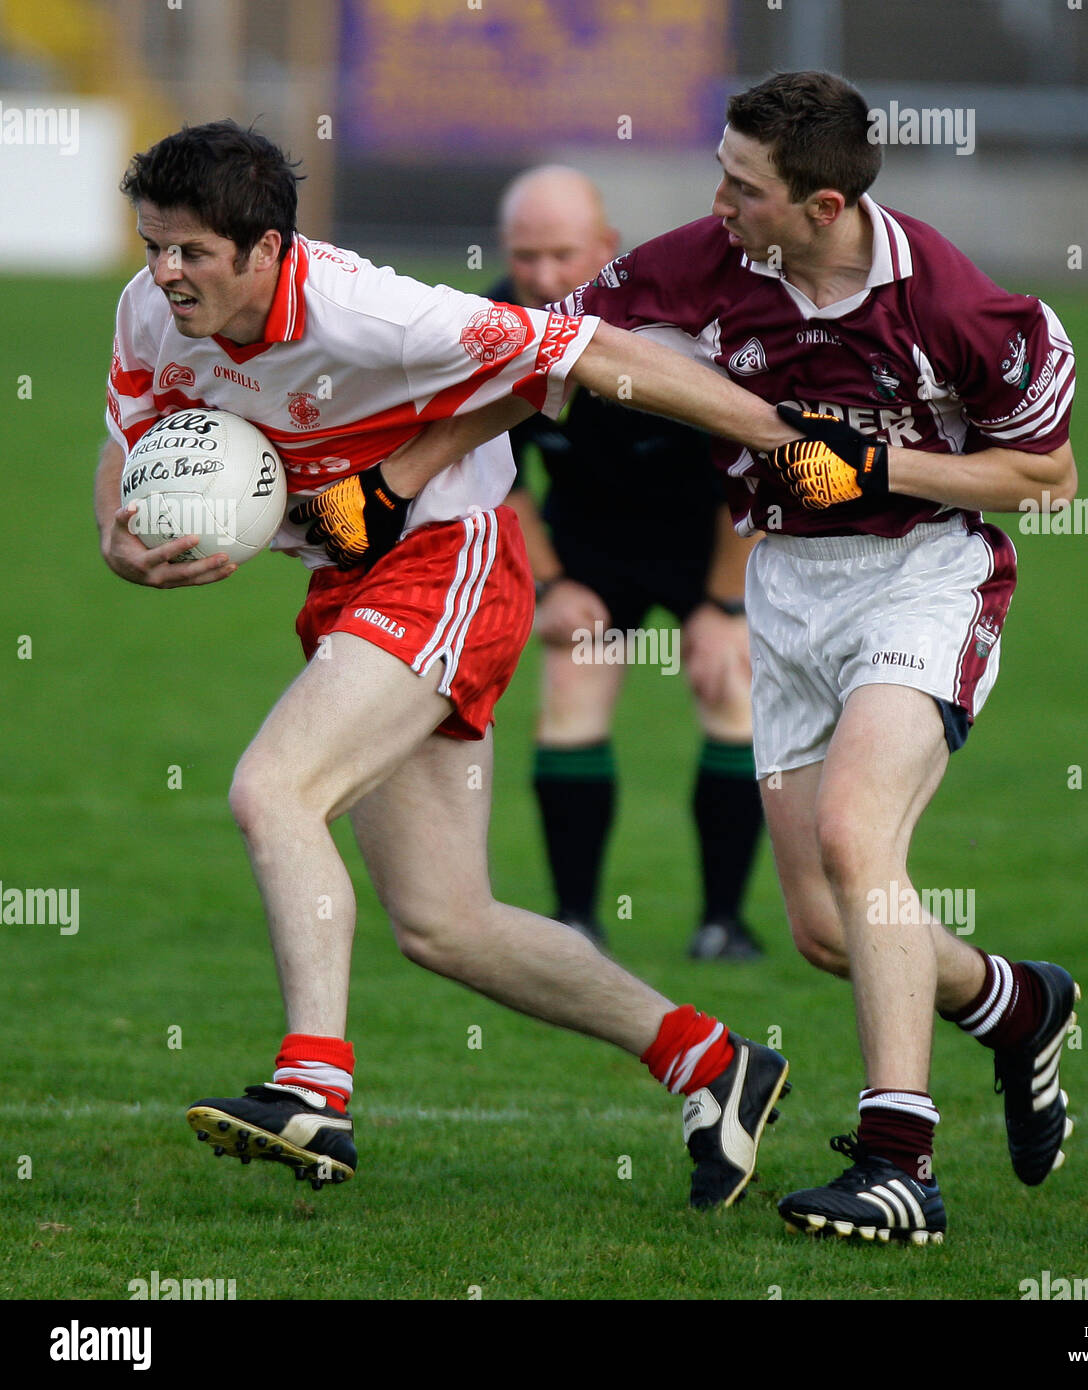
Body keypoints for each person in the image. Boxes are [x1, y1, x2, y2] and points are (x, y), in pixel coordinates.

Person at [95, 120, 804, 1210]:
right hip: (353, 581)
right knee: (442, 921)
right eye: (153, 245)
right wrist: (117, 533)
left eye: (190, 250)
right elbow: (128, 432)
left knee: (272, 789)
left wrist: (778, 438)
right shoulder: (150, 310)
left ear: (268, 248)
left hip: (450, 557)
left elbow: (588, 354)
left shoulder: (369, 309)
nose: (165, 272)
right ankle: (715, 1062)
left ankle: (311, 1091)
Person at [541, 72, 1082, 1244]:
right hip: (786, 592)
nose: (716, 199)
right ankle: (1015, 1004)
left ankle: (899, 1166)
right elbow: (568, 341)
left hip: (922, 576)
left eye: (742, 185)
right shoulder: (704, 259)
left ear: (822, 204)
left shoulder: (946, 301)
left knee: (855, 836)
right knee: (826, 928)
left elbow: (1046, 479)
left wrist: (873, 470)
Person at [492, 165, 764, 958]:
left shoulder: (676, 327)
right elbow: (501, 479)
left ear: (607, 248)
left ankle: (723, 925)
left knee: (730, 688)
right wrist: (548, 585)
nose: (541, 277)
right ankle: (574, 922)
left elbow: (748, 474)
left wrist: (722, 611)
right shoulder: (496, 324)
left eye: (562, 256)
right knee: (569, 694)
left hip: (705, 537)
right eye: (524, 256)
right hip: (587, 546)